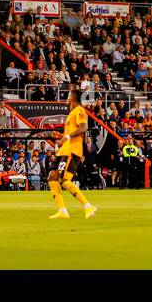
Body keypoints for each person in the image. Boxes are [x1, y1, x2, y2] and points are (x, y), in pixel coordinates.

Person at [48, 89, 97, 219]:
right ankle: (62, 210)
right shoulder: (71, 114)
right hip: (64, 149)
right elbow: (70, 134)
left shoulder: (80, 110)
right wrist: (61, 136)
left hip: (72, 150)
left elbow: (83, 128)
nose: (67, 98)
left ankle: (88, 206)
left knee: (64, 180)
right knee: (52, 177)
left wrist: (67, 137)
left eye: (69, 95)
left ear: (74, 98)